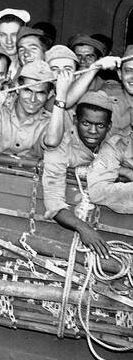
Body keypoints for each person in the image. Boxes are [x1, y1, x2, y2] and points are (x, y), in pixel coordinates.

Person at [41, 92, 131, 258]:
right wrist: (83, 228)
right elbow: (53, 202)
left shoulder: (117, 141)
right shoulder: (61, 144)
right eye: (86, 123)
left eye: (100, 126)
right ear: (75, 121)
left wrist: (124, 172)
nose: (93, 131)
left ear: (109, 126)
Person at [0, 61, 66, 159]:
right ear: (17, 88)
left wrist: (61, 97)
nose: (33, 99)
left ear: (49, 94)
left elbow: (52, 141)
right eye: (28, 90)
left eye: (40, 93)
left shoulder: (50, 122)